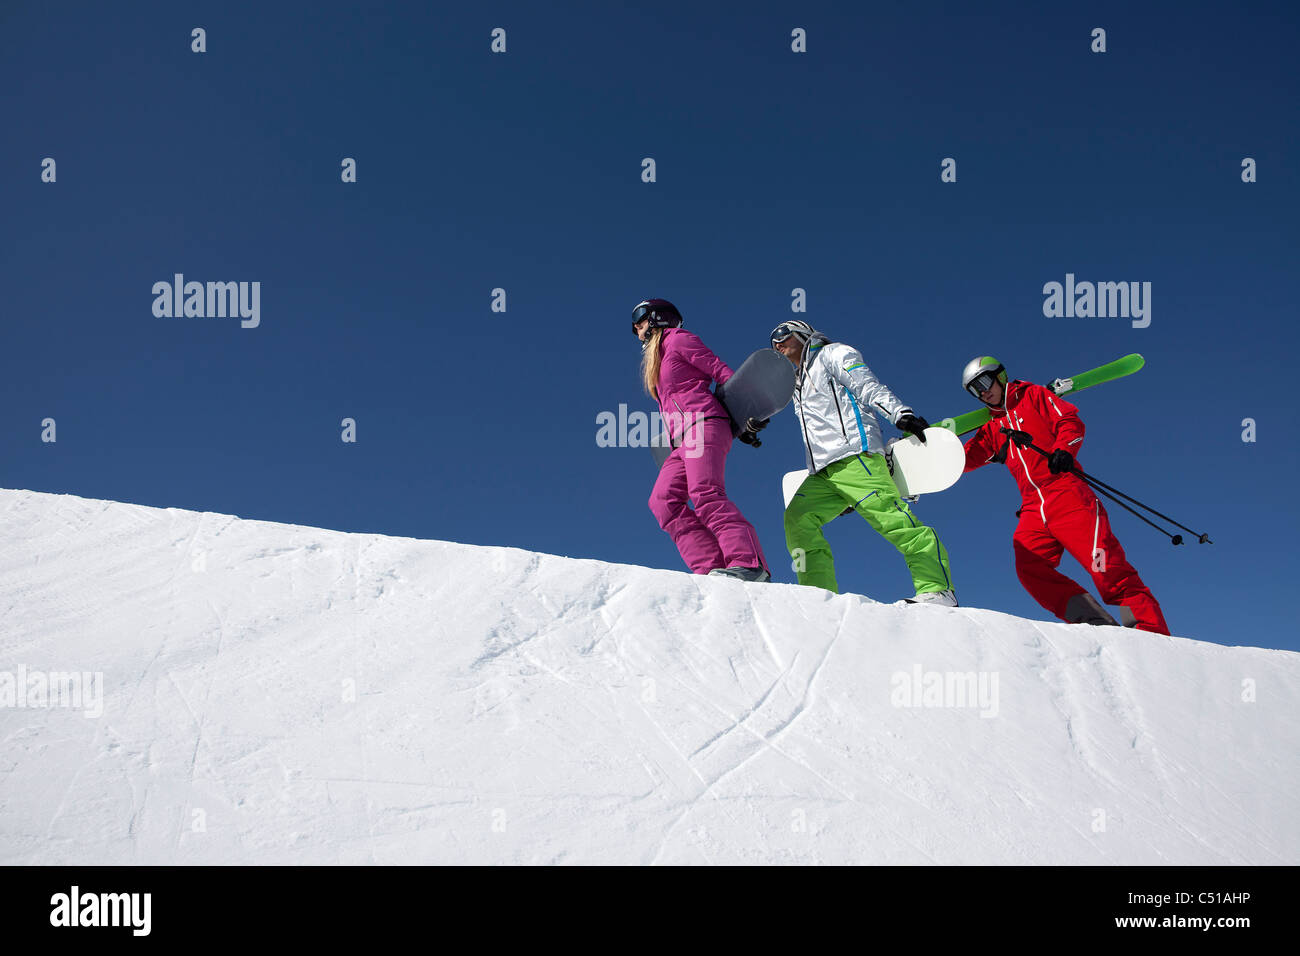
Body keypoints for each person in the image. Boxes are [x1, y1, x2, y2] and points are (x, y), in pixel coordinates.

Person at [959, 356, 1170, 634]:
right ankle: (1094, 622)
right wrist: (927, 455)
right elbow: (963, 459)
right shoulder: (991, 429)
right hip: (1033, 508)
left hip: (1067, 494)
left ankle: (1150, 631)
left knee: (1104, 565)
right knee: (1030, 570)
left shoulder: (1034, 395)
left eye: (984, 382)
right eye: (974, 390)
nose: (983, 392)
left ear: (1001, 376)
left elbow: (1069, 421)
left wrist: (1064, 449)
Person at [772, 320, 956, 604]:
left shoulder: (834, 354)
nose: (777, 344)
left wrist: (900, 414)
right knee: (797, 519)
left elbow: (868, 387)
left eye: (783, 336)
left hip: (855, 456)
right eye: (773, 342)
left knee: (892, 520)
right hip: (823, 472)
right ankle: (817, 595)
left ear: (802, 334)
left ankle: (938, 588)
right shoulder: (796, 384)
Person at [636, 298, 770, 581]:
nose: (636, 326)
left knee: (705, 494)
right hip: (680, 440)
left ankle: (749, 563)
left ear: (659, 317)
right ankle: (710, 568)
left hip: (704, 423)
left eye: (641, 317)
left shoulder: (679, 340)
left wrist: (747, 412)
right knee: (663, 502)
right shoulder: (656, 362)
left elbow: (719, 371)